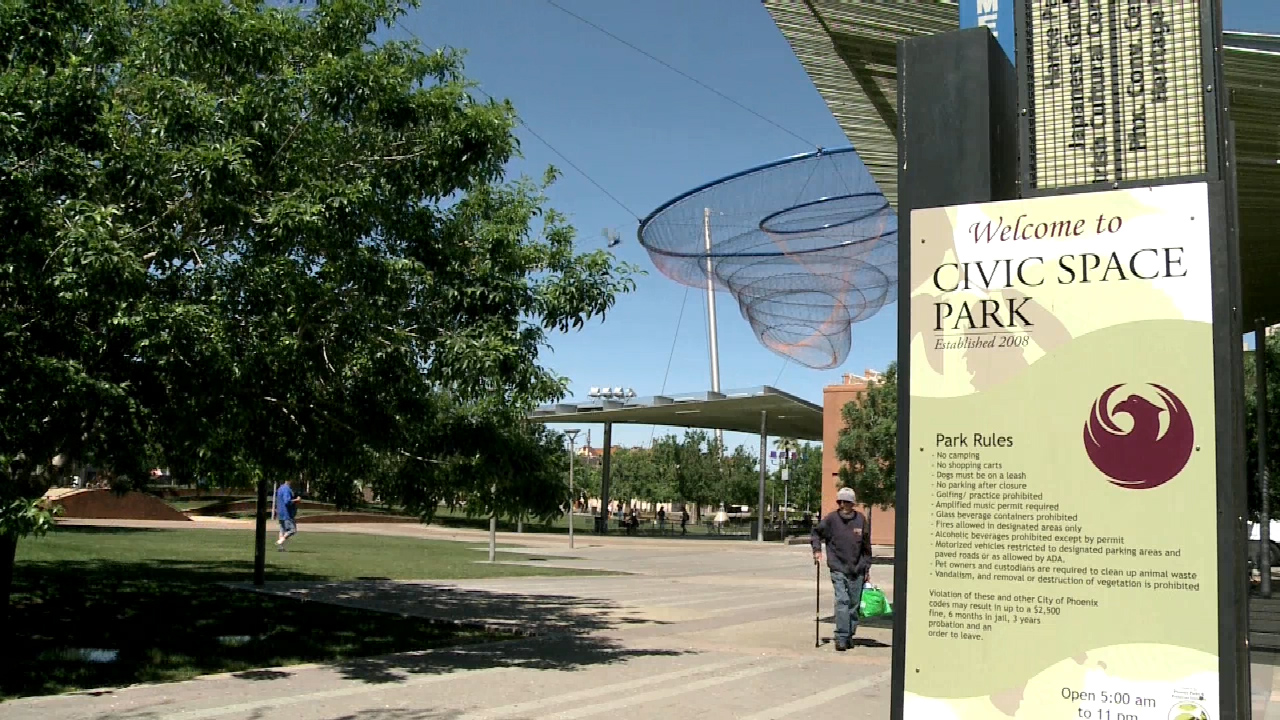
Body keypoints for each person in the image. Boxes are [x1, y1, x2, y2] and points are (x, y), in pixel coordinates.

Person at [811, 486, 873, 651]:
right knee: (842, 600)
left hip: (857, 568)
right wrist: (817, 550)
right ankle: (841, 637)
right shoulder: (831, 519)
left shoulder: (860, 519)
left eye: (848, 502)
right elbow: (816, 533)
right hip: (838, 566)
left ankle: (849, 634)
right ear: (839, 503)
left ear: (853, 503)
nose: (845, 505)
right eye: (842, 502)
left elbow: (866, 546)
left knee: (854, 604)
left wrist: (867, 568)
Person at [275, 479, 302, 550]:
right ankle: (281, 541)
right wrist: (297, 500)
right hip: (287, 513)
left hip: (280, 512)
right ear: (289, 481)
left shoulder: (280, 488)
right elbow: (287, 502)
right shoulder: (286, 489)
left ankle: (280, 548)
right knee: (293, 530)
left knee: (282, 529)